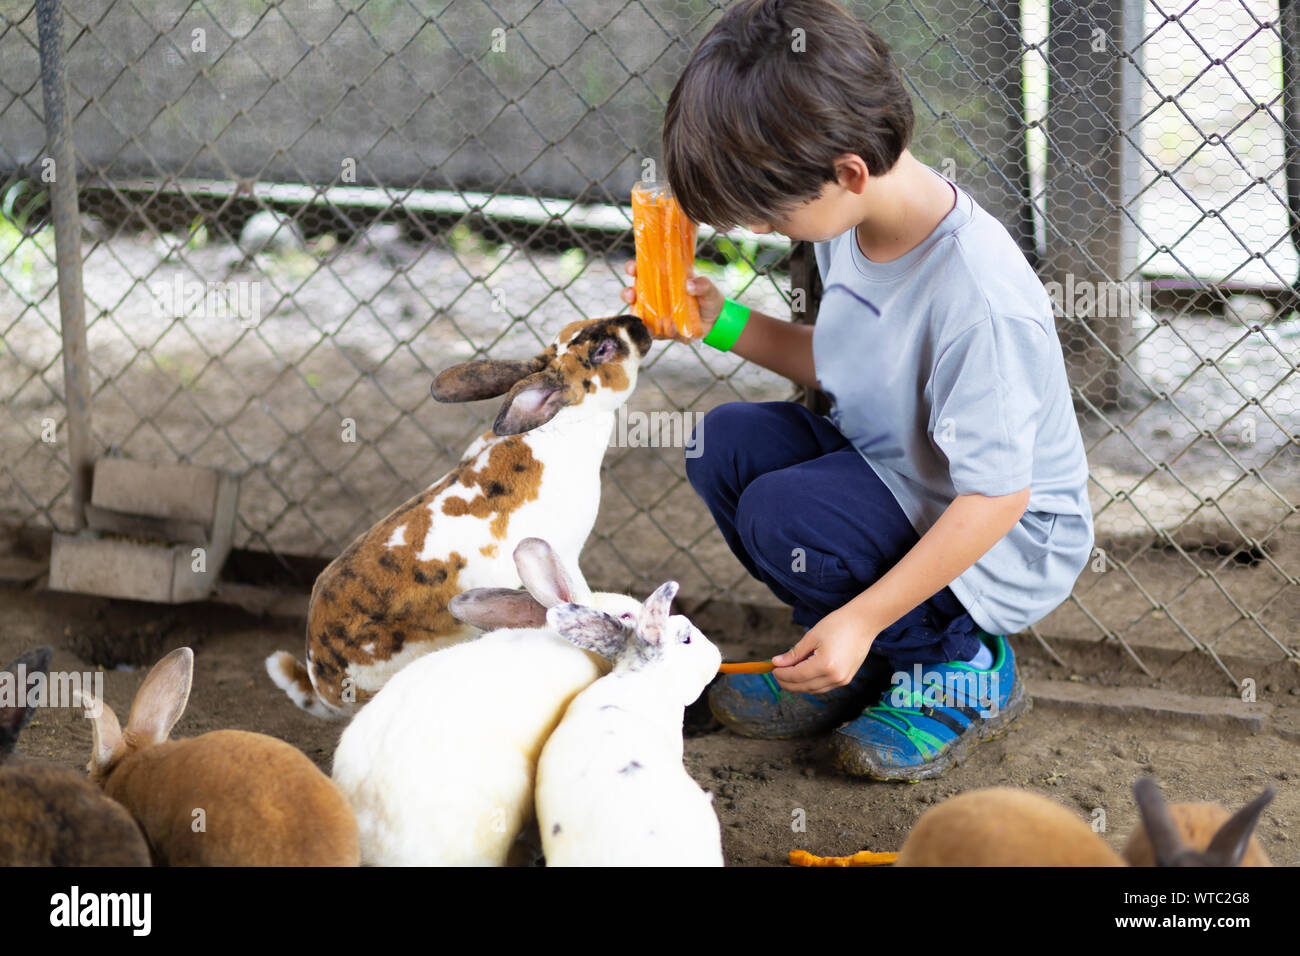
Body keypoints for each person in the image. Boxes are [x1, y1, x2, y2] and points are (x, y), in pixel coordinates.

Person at [620, 0, 1094, 781]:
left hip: (1003, 536)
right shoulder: (852, 223)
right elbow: (848, 364)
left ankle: (955, 666)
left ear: (846, 171)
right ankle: (856, 656)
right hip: (905, 475)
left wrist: (862, 614)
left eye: (769, 213)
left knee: (785, 513)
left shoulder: (974, 295)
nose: (764, 229)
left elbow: (999, 496)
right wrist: (722, 319)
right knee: (723, 446)